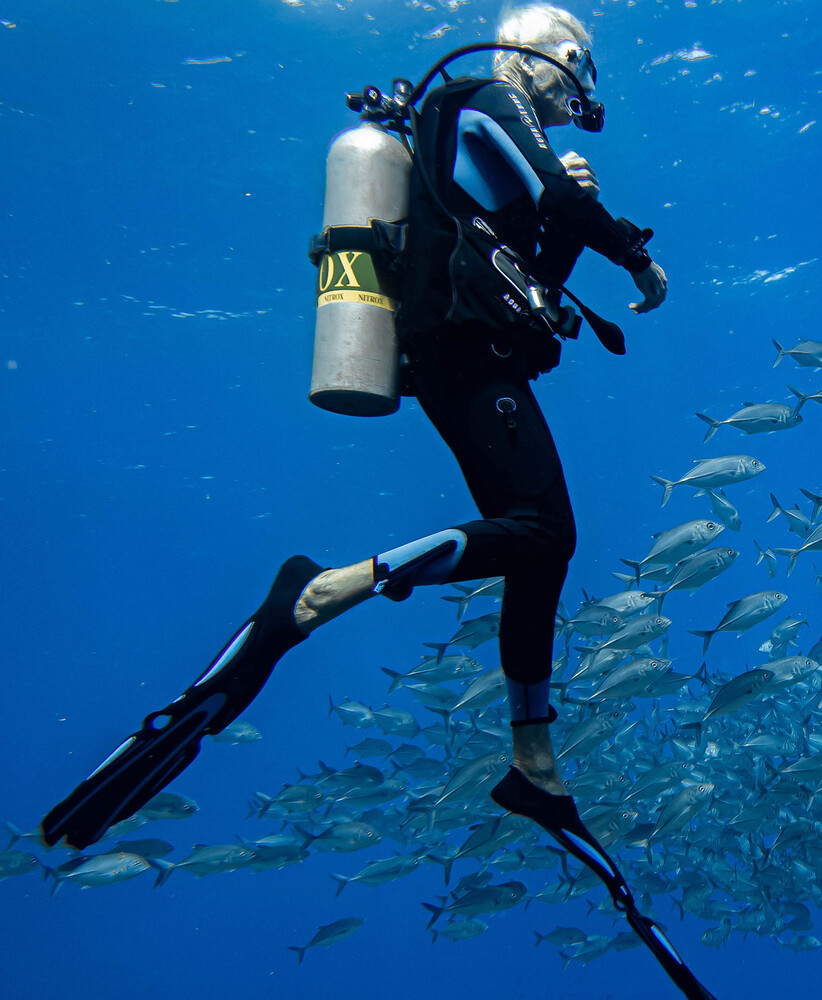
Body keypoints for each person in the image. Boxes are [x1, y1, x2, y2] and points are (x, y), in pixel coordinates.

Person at [40, 3, 666, 851]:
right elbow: (543, 203)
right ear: (542, 52)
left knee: (541, 539)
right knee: (544, 529)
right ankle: (324, 589)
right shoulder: (485, 90)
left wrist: (565, 225)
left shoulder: (483, 133)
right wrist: (634, 253)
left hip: (472, 352)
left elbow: (527, 272)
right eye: (578, 64)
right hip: (462, 351)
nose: (581, 87)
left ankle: (534, 760)